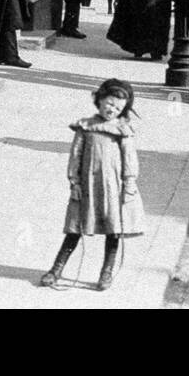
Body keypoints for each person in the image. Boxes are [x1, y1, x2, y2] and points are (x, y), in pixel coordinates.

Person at [40, 78, 144, 292]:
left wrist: (129, 184)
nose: (112, 109)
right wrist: (74, 182)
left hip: (113, 188)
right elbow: (75, 156)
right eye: (109, 103)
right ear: (99, 100)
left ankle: (106, 272)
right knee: (75, 227)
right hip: (87, 186)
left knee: (113, 230)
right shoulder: (86, 127)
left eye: (118, 107)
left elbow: (130, 159)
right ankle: (56, 269)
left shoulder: (123, 131)